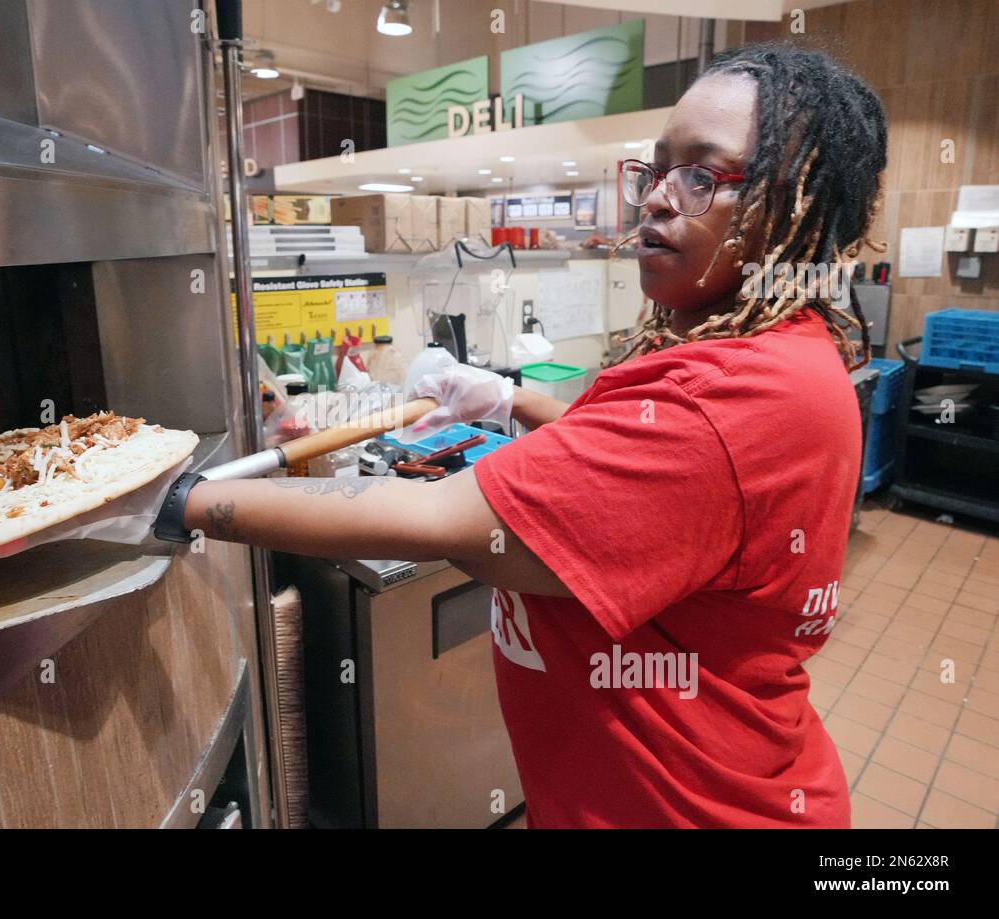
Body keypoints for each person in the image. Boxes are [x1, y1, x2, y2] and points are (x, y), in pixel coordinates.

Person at [155, 42, 888, 828]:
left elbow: (442, 522)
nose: (657, 198)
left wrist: (186, 498)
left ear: (796, 204)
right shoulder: (782, 354)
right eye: (657, 169)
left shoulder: (728, 397)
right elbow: (655, 478)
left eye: (703, 176)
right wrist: (507, 398)